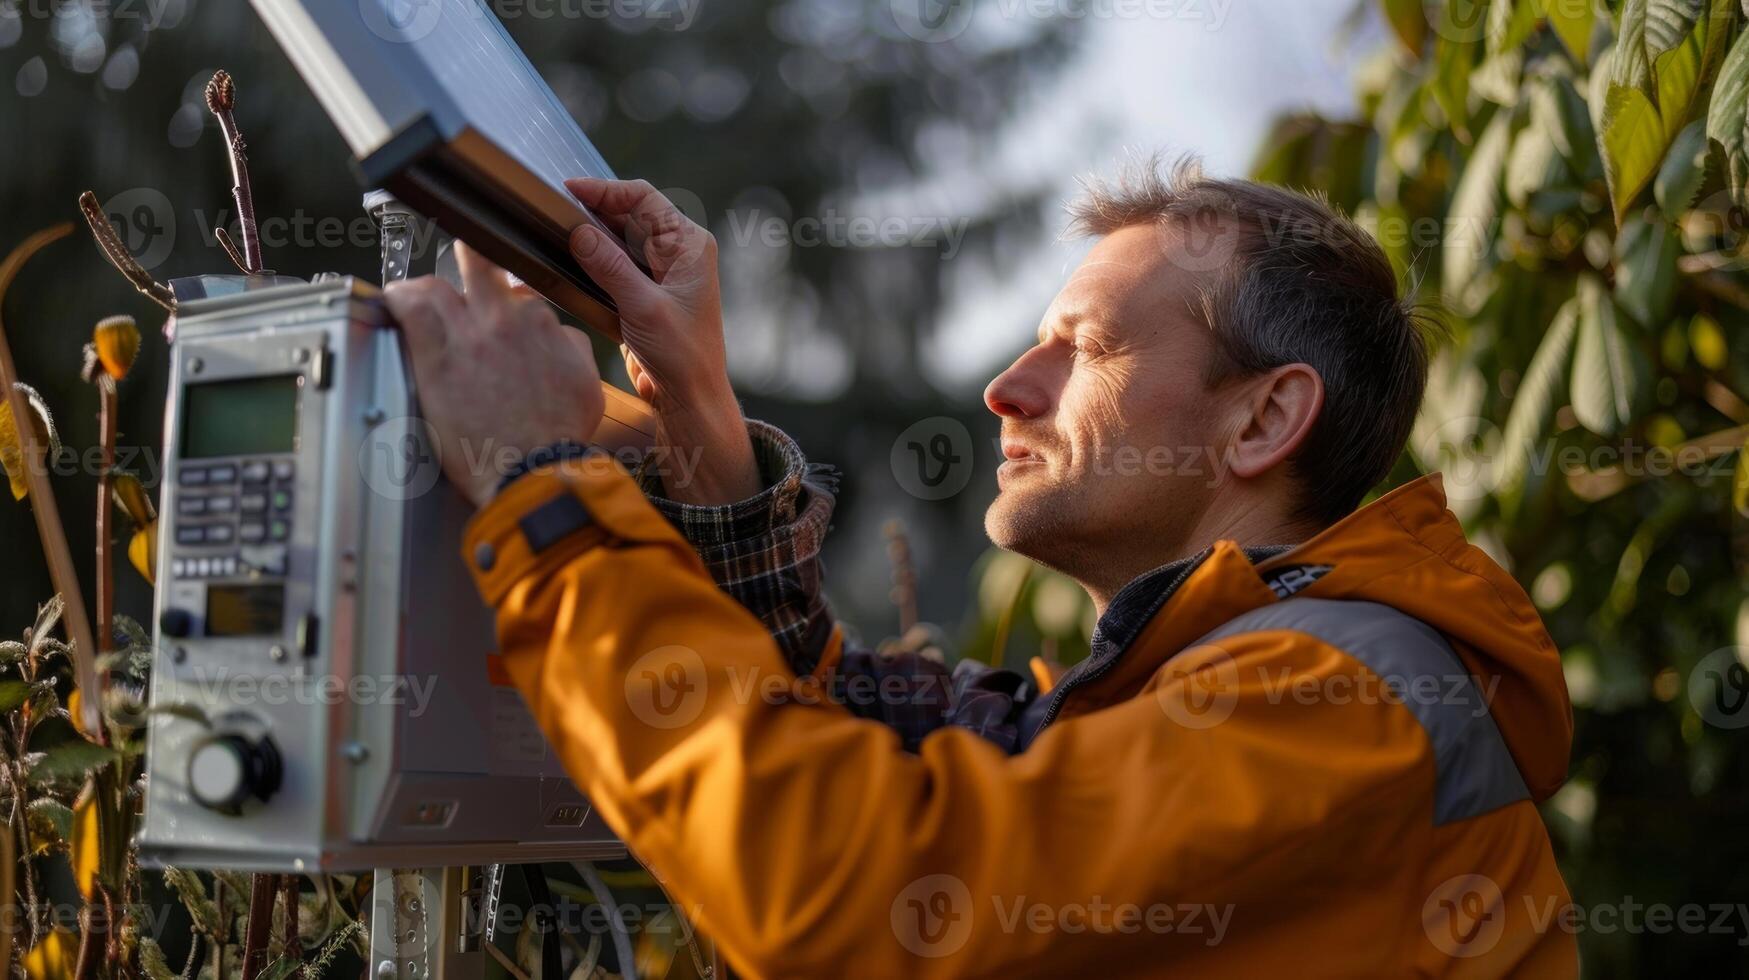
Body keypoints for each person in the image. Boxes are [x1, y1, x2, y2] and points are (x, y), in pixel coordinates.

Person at [382, 157, 1578, 977]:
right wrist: (698, 414)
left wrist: (546, 486)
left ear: (1262, 422)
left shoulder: (1342, 698)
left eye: (1085, 347)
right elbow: (869, 736)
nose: (1006, 387)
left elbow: (856, 888)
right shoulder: (1195, 686)